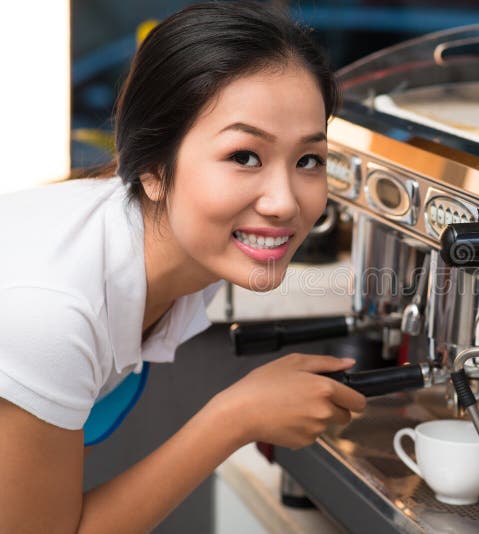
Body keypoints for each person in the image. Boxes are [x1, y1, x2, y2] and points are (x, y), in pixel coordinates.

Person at [0, 2, 366, 532]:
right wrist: (235, 416)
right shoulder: (53, 310)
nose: (285, 202)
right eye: (244, 156)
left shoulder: (186, 249)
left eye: (309, 159)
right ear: (151, 167)